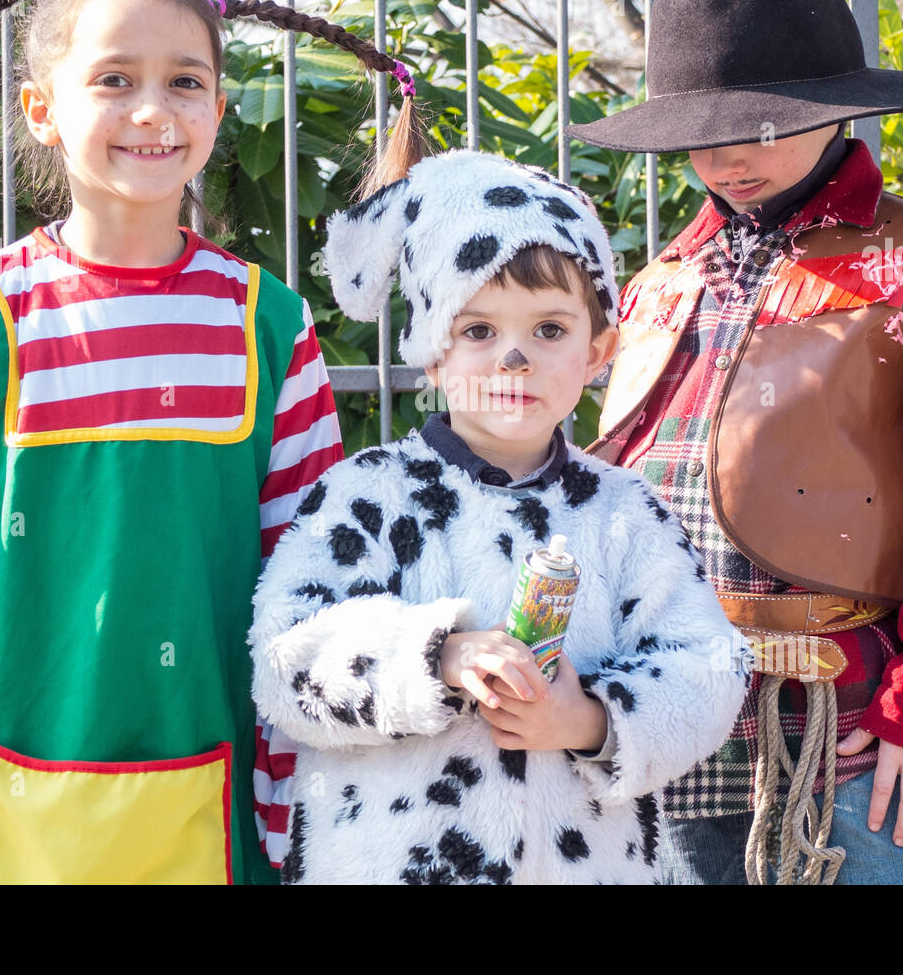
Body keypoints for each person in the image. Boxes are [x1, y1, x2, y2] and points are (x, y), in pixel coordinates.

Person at [0, 0, 420, 884]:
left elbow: (317, 590)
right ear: (41, 111)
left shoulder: (270, 325)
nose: (153, 109)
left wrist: (311, 803)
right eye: (113, 78)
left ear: (220, 109)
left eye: (186, 80)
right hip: (5, 820)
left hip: (228, 823)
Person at [567, 0, 903, 885]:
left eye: (757, 123)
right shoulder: (664, 279)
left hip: (845, 729)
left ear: (833, 107)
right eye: (700, 130)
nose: (725, 155)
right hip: (664, 709)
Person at [248, 149, 750, 884]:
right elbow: (284, 659)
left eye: (549, 329)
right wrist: (435, 658)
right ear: (429, 352)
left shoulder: (626, 512)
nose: (513, 358)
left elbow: (709, 669)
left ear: (599, 351)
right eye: (478, 329)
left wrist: (589, 720)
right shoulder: (368, 495)